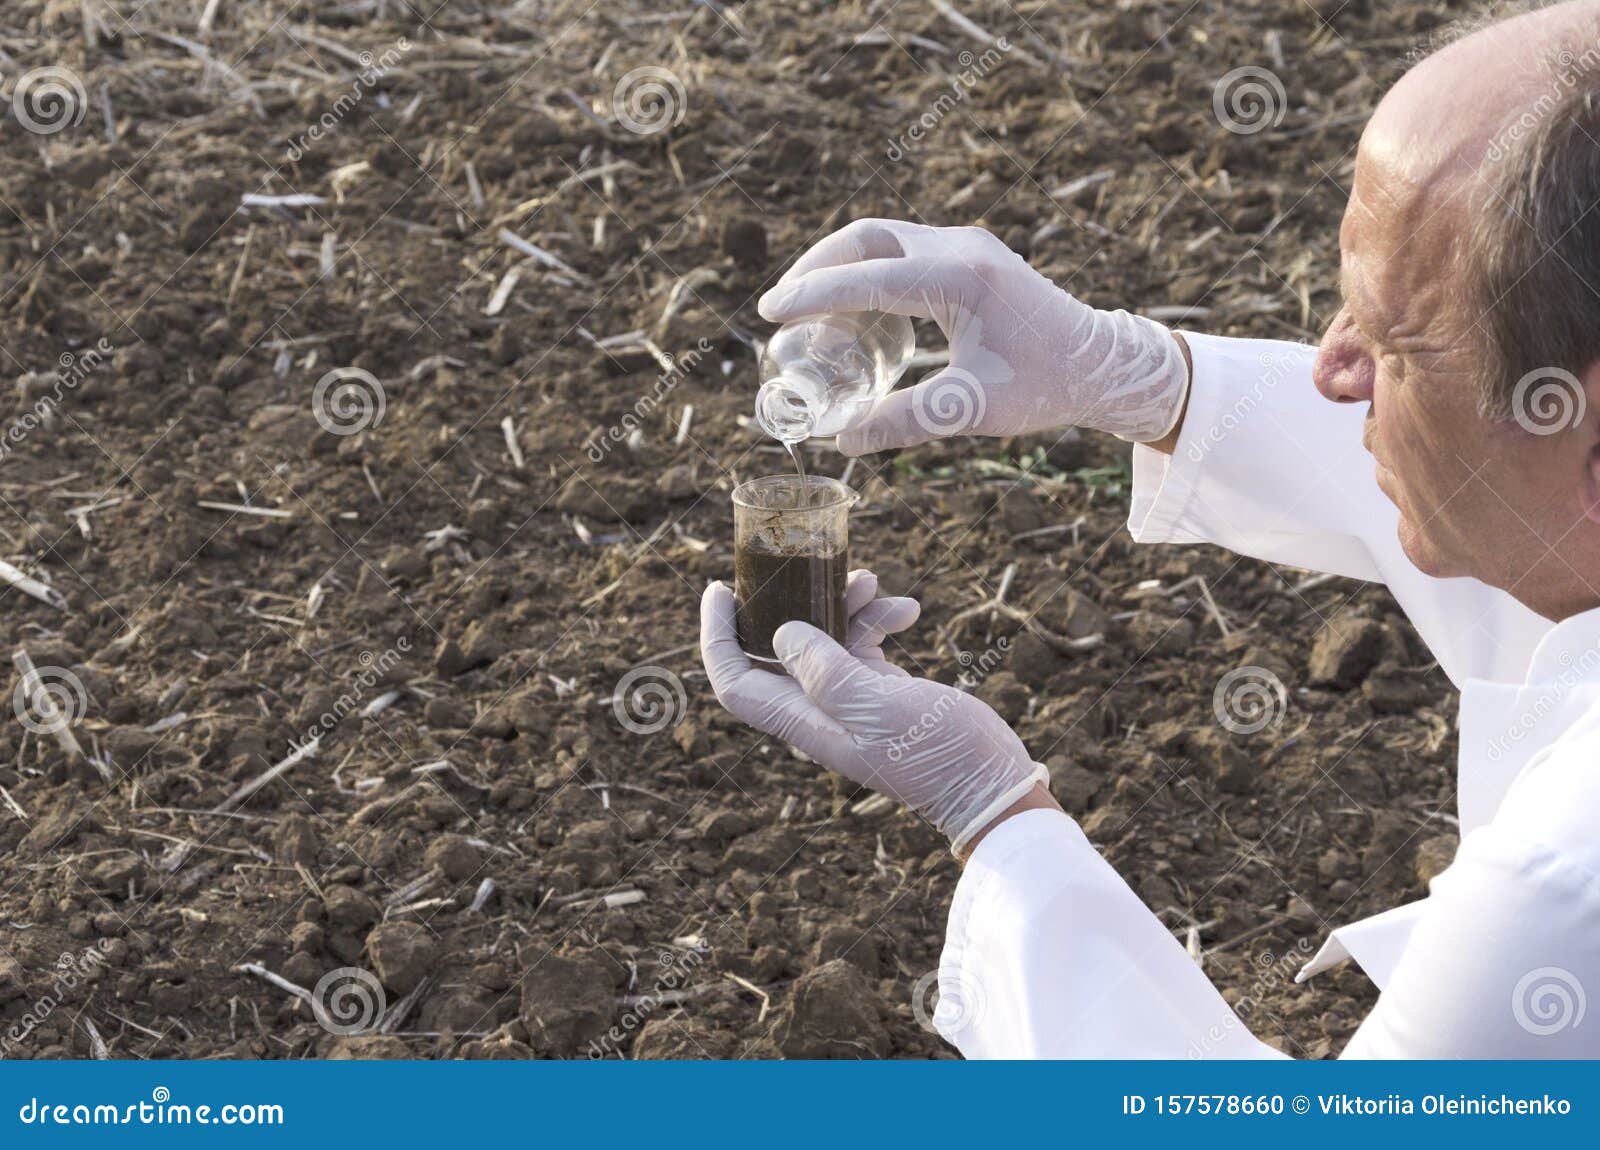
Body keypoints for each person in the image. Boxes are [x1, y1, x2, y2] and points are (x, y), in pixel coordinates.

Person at [700, 0, 1600, 1057]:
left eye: (1395, 349)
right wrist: (1136, 375)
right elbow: (1522, 505)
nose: (1330, 367)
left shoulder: (1564, 891)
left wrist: (996, 816)